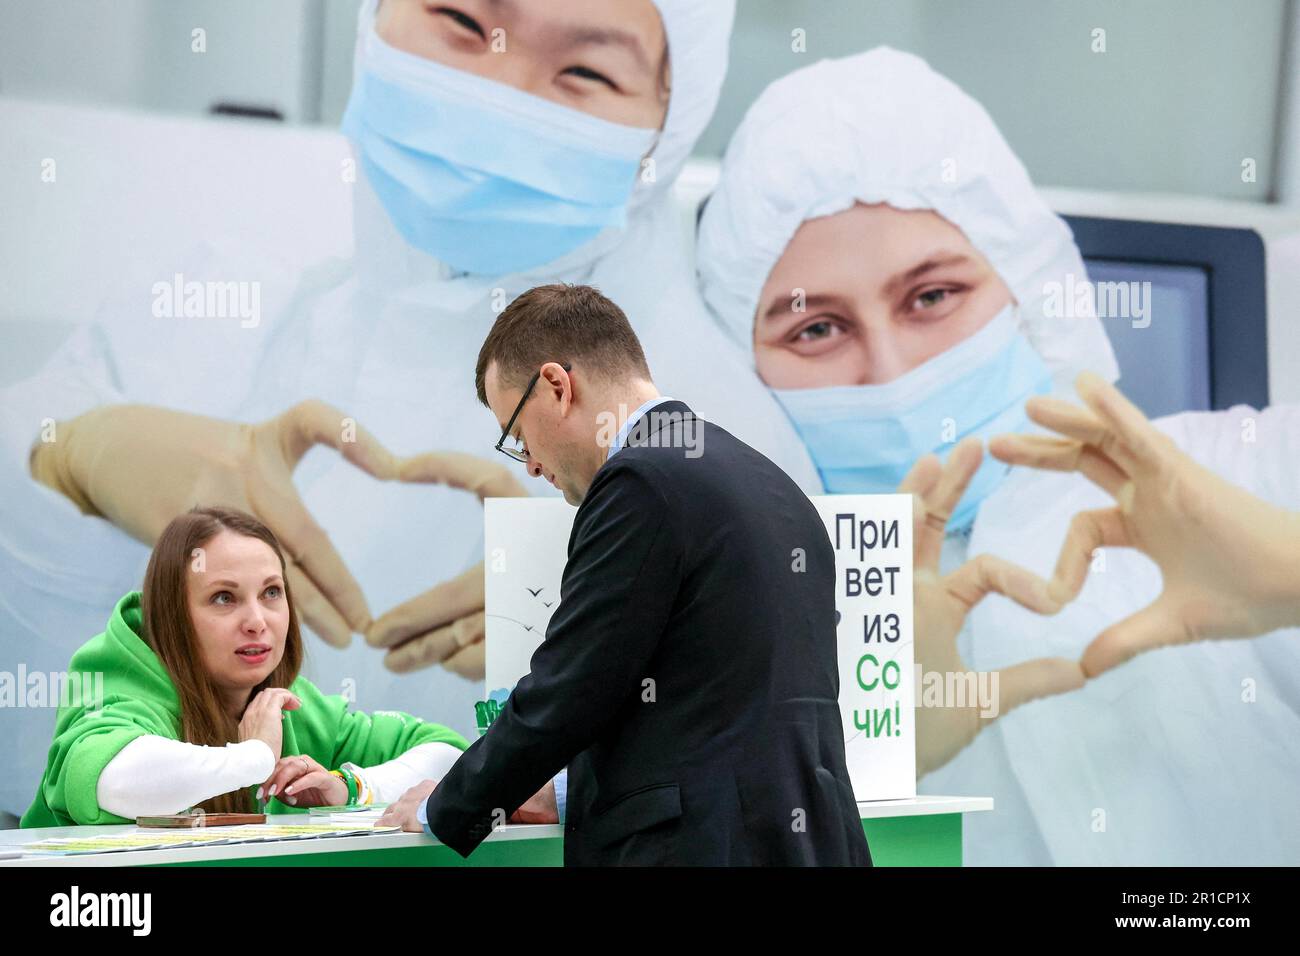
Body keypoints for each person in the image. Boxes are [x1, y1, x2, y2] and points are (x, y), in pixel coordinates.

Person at [0, 0, 819, 820]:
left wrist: (545, 637)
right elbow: (86, 756)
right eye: (461, 19)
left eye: (586, 71)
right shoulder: (219, 312)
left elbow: (547, 725)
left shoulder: (712, 436)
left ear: (668, 122)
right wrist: (67, 461)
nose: (499, 91)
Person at [697, 47, 1300, 865]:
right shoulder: (724, 621)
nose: (892, 372)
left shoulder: (1238, 471)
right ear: (743, 365)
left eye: (932, 296)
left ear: (1027, 283)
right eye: (816, 328)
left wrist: (1289, 572)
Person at [379, 283, 872, 866]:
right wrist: (562, 790)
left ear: (558, 387)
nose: (532, 463)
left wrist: (447, 806)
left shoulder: (640, 482)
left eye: (518, 436)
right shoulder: (774, 485)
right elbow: (714, 702)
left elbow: (572, 686)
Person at [22, 506, 468, 827]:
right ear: (173, 615)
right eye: (224, 597)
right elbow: (109, 779)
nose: (257, 622)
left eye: (271, 592)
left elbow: (450, 754)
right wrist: (255, 756)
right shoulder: (116, 683)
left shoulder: (290, 705)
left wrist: (350, 787)